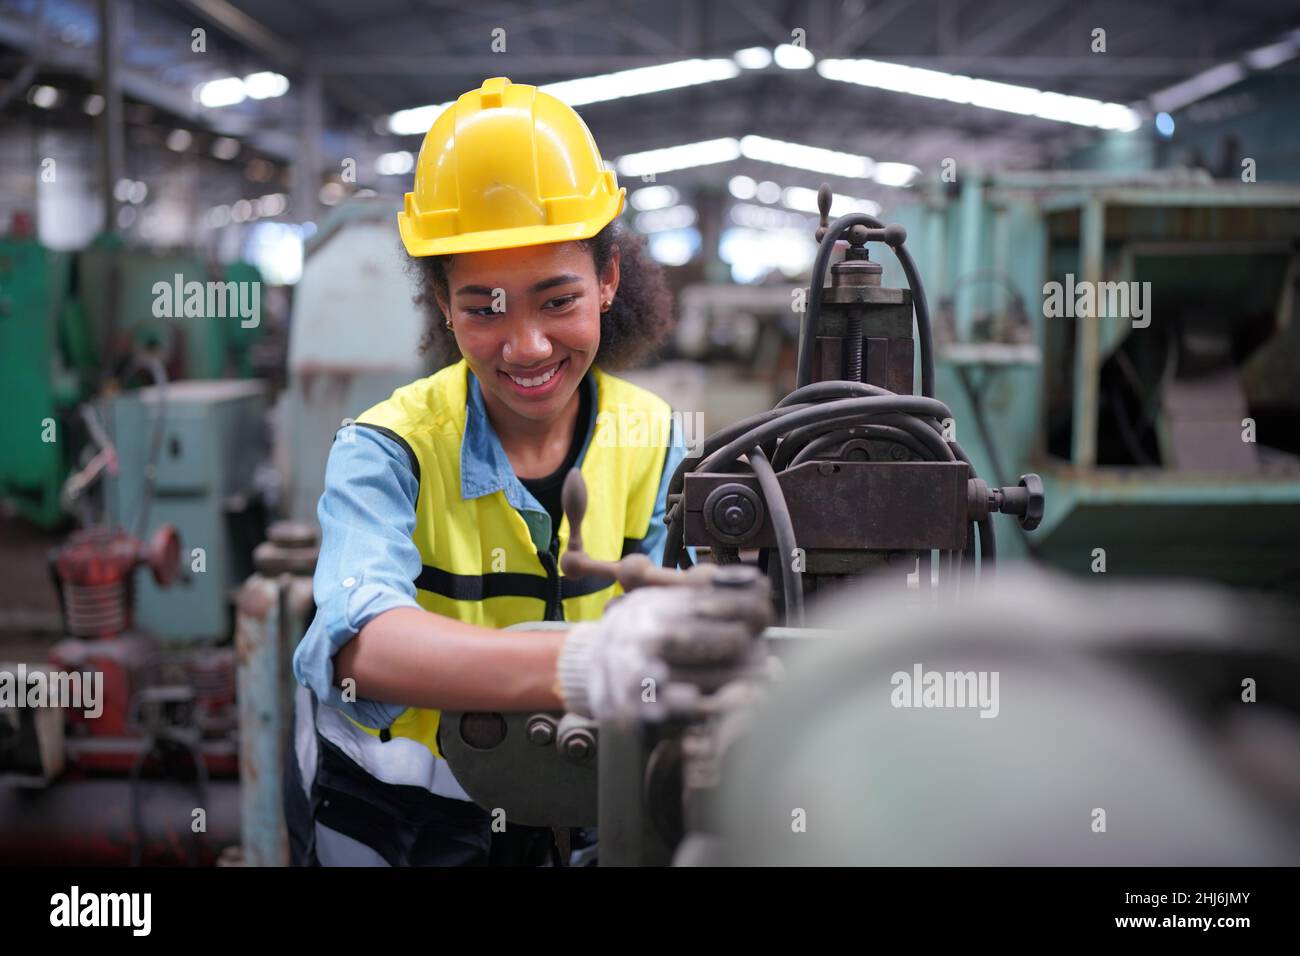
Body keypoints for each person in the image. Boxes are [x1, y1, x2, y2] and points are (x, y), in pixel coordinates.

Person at [287, 76, 758, 866]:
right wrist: (585, 663)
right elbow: (361, 642)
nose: (529, 345)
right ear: (441, 302)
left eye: (557, 299)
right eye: (485, 307)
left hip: (579, 812)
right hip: (390, 825)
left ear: (608, 281)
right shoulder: (385, 447)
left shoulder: (651, 435)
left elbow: (677, 616)